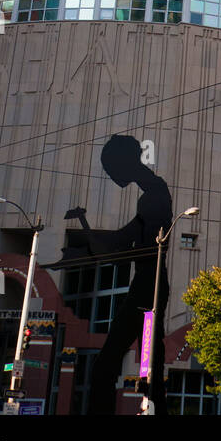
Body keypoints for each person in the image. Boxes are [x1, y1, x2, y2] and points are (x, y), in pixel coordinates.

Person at [59, 135, 173, 416]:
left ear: (125, 163)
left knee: (109, 367)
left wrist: (96, 254)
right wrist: (86, 247)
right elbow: (123, 239)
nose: (111, 176)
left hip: (149, 288)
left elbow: (145, 250)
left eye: (111, 169)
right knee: (150, 365)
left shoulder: (155, 195)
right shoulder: (151, 194)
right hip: (148, 286)